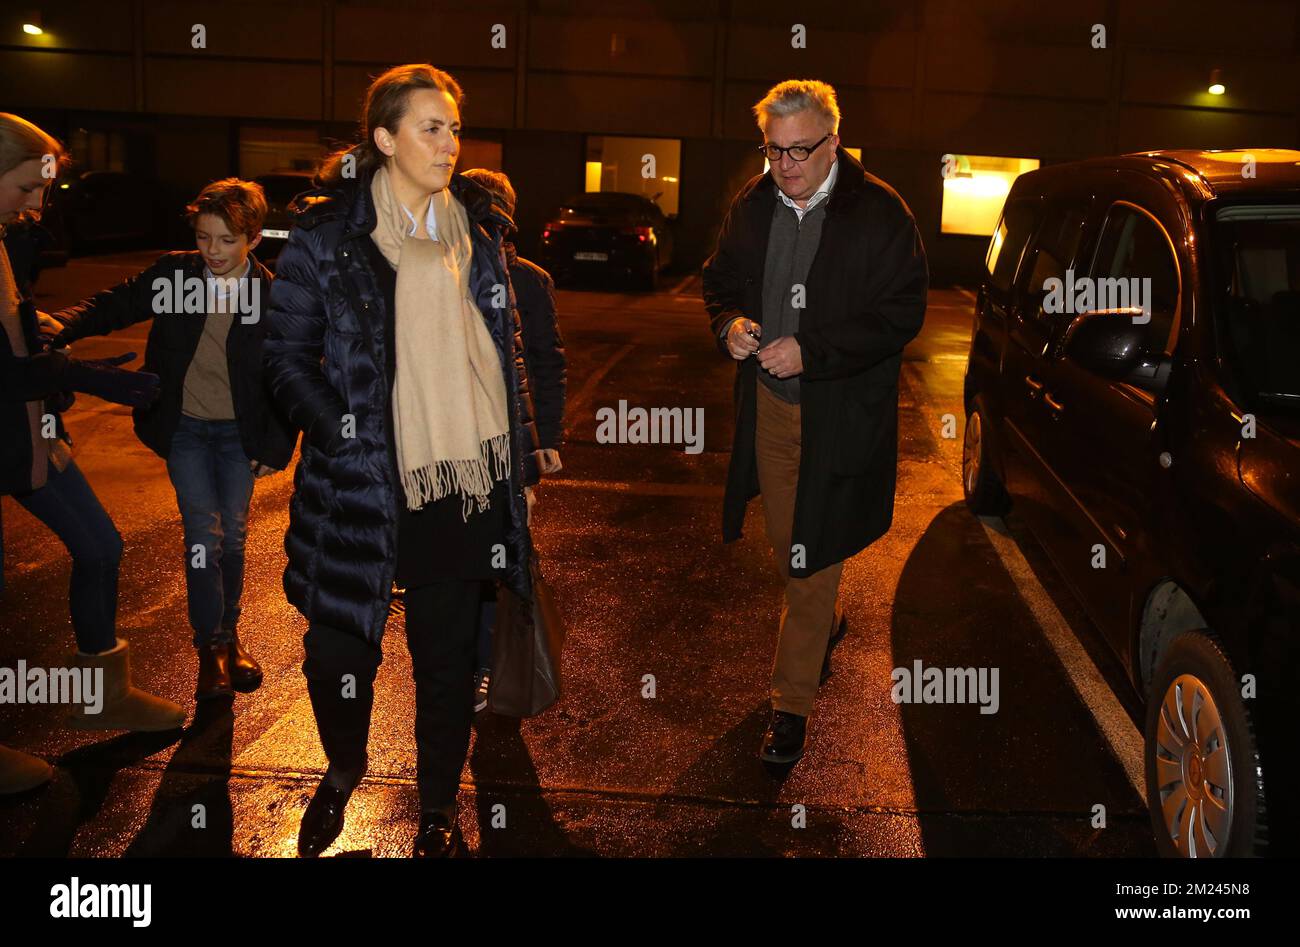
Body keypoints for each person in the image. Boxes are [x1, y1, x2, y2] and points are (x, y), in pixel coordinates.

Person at [264, 63, 544, 858]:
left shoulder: (478, 232)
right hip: (358, 483)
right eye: (432, 128)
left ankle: (435, 808)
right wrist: (342, 430)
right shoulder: (327, 238)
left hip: (460, 484)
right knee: (337, 653)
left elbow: (508, 351)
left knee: (447, 663)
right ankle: (344, 765)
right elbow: (284, 358)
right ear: (384, 139)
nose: (450, 144)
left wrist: (518, 465)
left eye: (455, 128)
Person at [702, 80, 928, 765]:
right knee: (784, 540)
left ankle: (790, 704)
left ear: (835, 140)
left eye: (801, 150)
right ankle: (824, 620)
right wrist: (731, 324)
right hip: (771, 408)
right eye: (774, 150)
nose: (787, 165)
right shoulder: (753, 203)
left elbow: (901, 312)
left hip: (840, 417)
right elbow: (720, 281)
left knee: (809, 553)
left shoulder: (880, 213)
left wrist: (813, 351)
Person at [50, 178, 296, 700]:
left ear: (253, 238)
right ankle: (210, 648)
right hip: (185, 427)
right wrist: (63, 324)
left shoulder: (272, 295)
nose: (213, 252)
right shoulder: (175, 274)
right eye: (204, 238)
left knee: (232, 538)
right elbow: (115, 304)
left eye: (227, 241)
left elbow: (288, 374)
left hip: (238, 435)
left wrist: (276, 447)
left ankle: (230, 640)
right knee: (203, 539)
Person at [0, 113, 183, 795]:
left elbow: (17, 335)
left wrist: (47, 340)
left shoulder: (5, 240)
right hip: (11, 425)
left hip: (27, 431)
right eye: (26, 188)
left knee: (101, 546)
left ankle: (101, 693)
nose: (37, 206)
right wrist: (85, 374)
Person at [461, 167, 566, 713]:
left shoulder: (527, 280)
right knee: (464, 562)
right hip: (457, 447)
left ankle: (490, 666)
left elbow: (545, 363)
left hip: (507, 449)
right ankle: (466, 662)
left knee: (501, 562)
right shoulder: (450, 274)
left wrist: (546, 438)